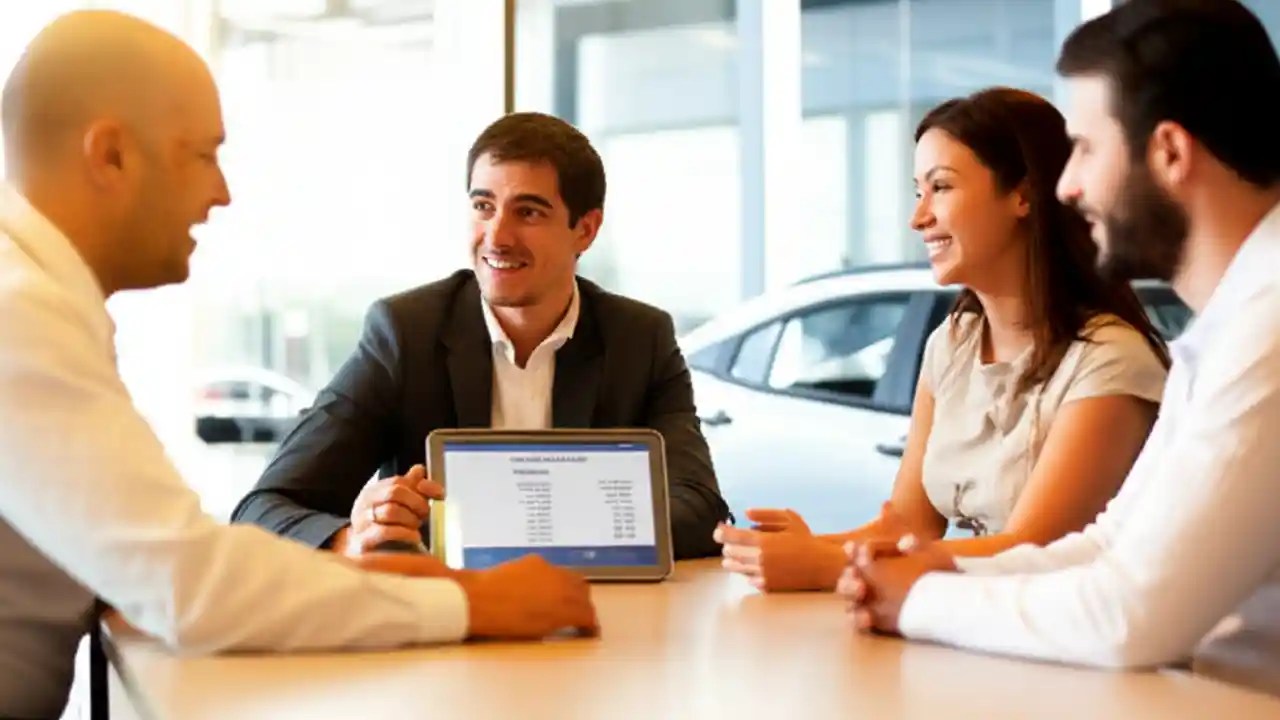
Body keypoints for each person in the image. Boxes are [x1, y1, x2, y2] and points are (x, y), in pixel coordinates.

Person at [0, 12, 596, 718]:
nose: (220, 192)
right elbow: (192, 586)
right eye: (203, 154)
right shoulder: (19, 314)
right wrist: (473, 600)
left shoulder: (36, 304)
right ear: (112, 155)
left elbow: (160, 569)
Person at [840, 0, 1280, 693]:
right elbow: (1108, 547)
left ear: (1168, 152)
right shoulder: (1235, 323)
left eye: (1086, 148)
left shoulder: (1269, 328)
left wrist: (919, 598)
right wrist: (938, 570)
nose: (1066, 185)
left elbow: (1130, 614)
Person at [715, 87, 1170, 593]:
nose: (919, 217)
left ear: (1023, 194)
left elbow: (1031, 548)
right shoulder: (952, 343)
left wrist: (830, 566)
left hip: (1070, 640)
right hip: (979, 626)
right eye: (918, 192)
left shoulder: (1110, 361)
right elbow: (908, 526)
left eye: (942, 187)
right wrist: (806, 547)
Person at [230, 112, 729, 561]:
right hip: (446, 626)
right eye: (484, 206)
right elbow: (265, 508)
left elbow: (700, 508)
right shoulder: (406, 333)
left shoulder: (639, 339)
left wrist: (516, 527)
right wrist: (355, 539)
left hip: (606, 622)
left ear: (586, 229)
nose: (497, 236)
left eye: (528, 212)